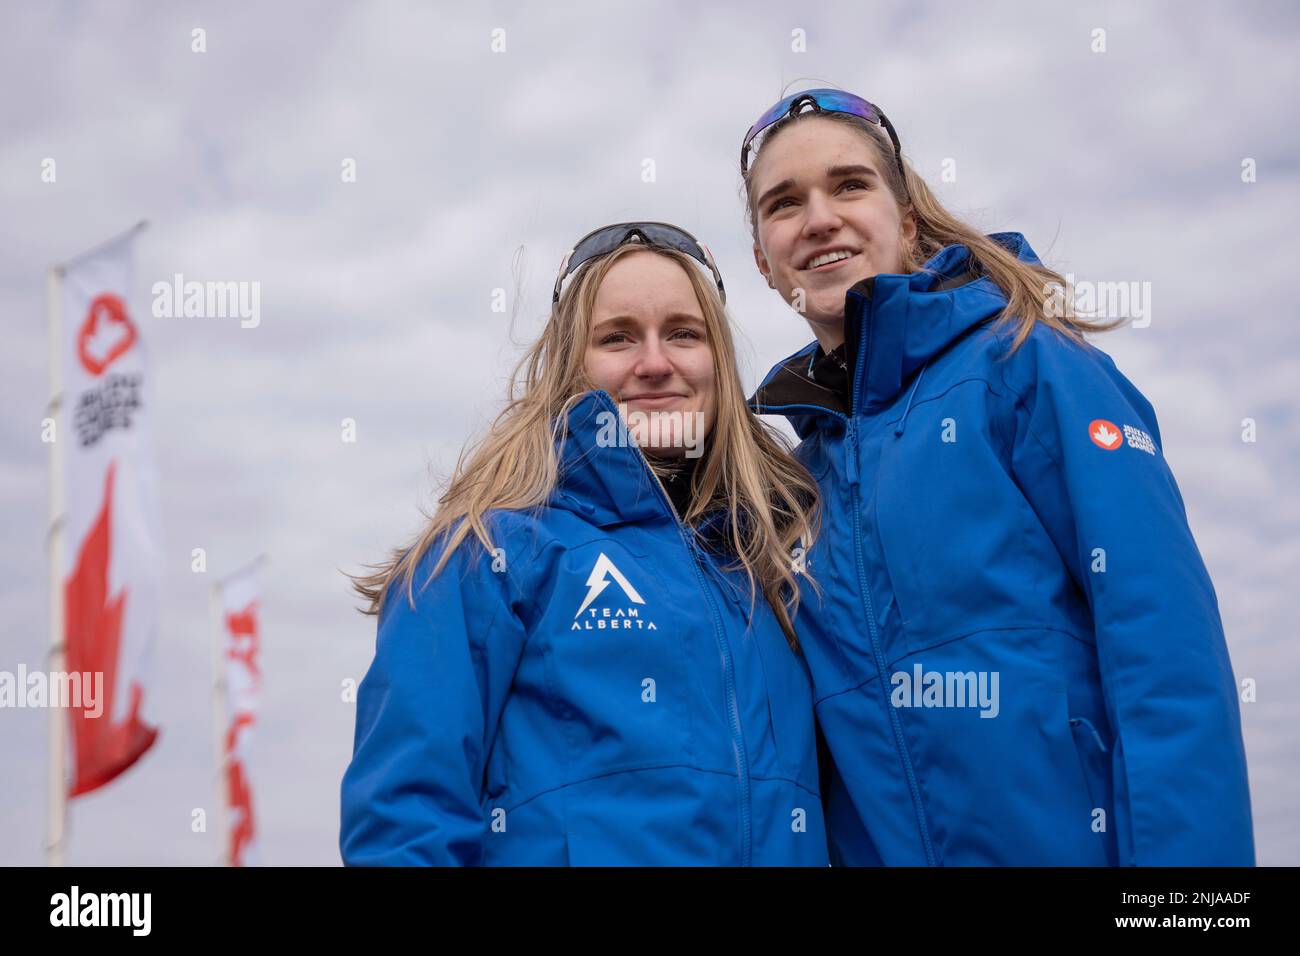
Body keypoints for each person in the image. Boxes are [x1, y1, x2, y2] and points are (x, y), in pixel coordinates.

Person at [738, 89, 1254, 865]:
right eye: (784, 204)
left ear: (906, 219)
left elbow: (1167, 652)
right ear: (764, 262)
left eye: (849, 185)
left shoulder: (1029, 365)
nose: (818, 219)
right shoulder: (792, 493)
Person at [340, 221, 828, 865]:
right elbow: (404, 824)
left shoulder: (783, 559)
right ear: (572, 368)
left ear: (718, 361)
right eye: (617, 338)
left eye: (683, 333)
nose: (654, 363)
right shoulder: (485, 553)